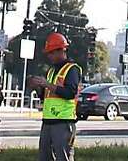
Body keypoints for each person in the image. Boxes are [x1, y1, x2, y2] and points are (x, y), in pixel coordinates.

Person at [27, 32, 81, 161]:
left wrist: (47, 84)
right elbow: (47, 97)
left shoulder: (72, 69)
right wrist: (38, 87)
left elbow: (70, 93)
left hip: (63, 122)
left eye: (51, 53)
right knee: (44, 157)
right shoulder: (51, 71)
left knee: (63, 157)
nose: (49, 56)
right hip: (48, 121)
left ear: (61, 51)